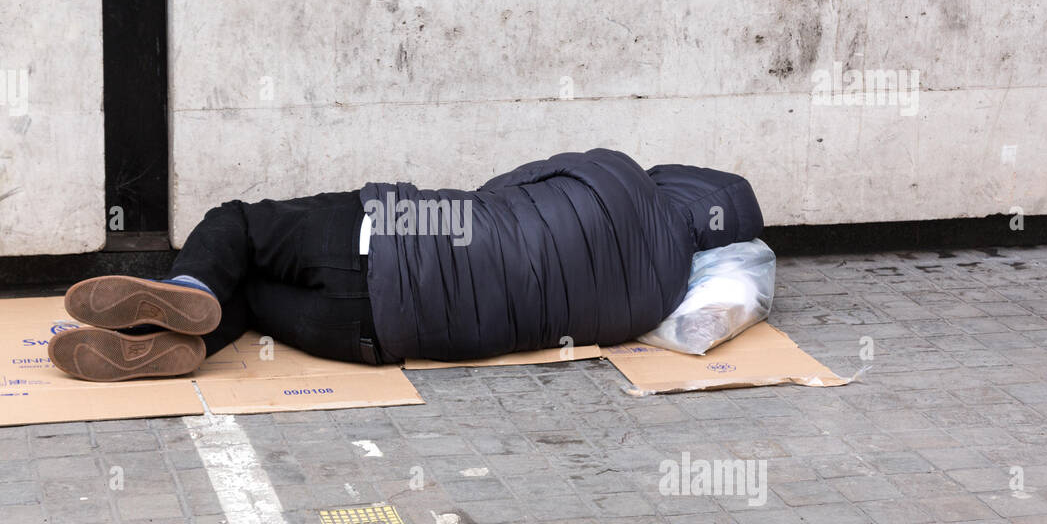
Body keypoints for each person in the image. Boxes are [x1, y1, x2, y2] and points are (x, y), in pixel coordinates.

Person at [47, 148, 764, 381]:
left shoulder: (616, 172)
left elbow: (506, 189)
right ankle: (178, 343)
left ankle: (189, 288)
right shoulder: (656, 300)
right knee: (261, 300)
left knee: (238, 227)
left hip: (392, 233)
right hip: (379, 336)